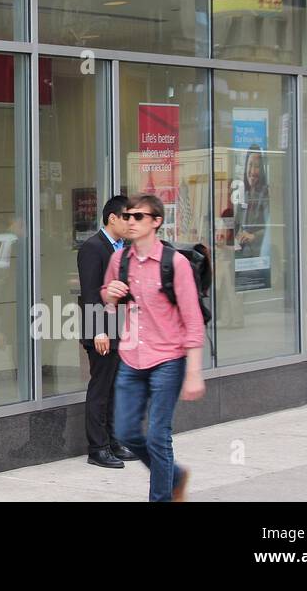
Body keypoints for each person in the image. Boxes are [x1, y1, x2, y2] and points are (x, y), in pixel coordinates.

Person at [101, 194, 206, 502]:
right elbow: (108, 303)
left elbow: (193, 320)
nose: (130, 222)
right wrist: (111, 295)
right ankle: (175, 476)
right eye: (127, 216)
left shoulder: (175, 264)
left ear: (156, 222)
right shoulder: (118, 261)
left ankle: (161, 497)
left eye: (138, 217)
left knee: (159, 436)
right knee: (126, 432)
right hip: (131, 359)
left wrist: (194, 372)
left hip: (168, 360)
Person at [77, 195, 134, 468]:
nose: (131, 222)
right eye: (127, 217)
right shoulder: (93, 248)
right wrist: (99, 331)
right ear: (112, 218)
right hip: (101, 331)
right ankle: (97, 448)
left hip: (121, 327)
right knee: (100, 389)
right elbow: (89, 293)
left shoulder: (125, 247)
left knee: (115, 388)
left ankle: (114, 442)